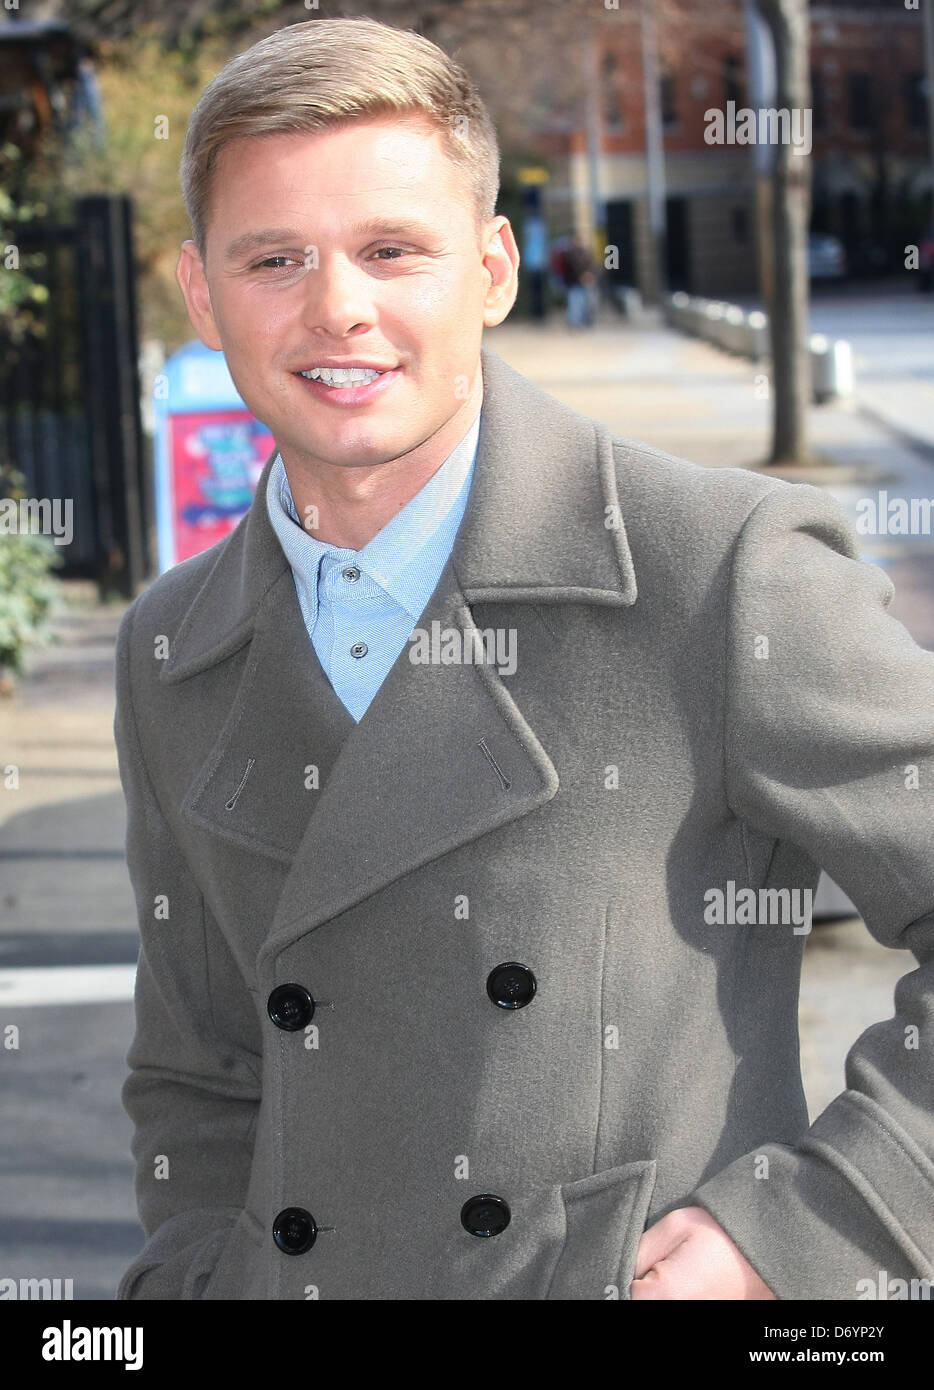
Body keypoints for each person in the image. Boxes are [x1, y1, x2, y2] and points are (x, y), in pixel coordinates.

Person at [114, 16, 934, 1301]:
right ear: (203, 292)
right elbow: (198, 1067)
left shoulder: (715, 569)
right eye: (276, 258)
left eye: (395, 249)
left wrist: (801, 1233)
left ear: (492, 269)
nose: (339, 307)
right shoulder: (170, 644)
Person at [561, 232, 597, 328]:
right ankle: (574, 323)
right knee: (574, 304)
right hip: (573, 283)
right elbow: (571, 268)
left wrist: (589, 275)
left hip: (583, 284)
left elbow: (591, 265)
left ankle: (583, 322)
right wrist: (581, 276)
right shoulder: (569, 254)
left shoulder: (586, 253)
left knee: (584, 304)